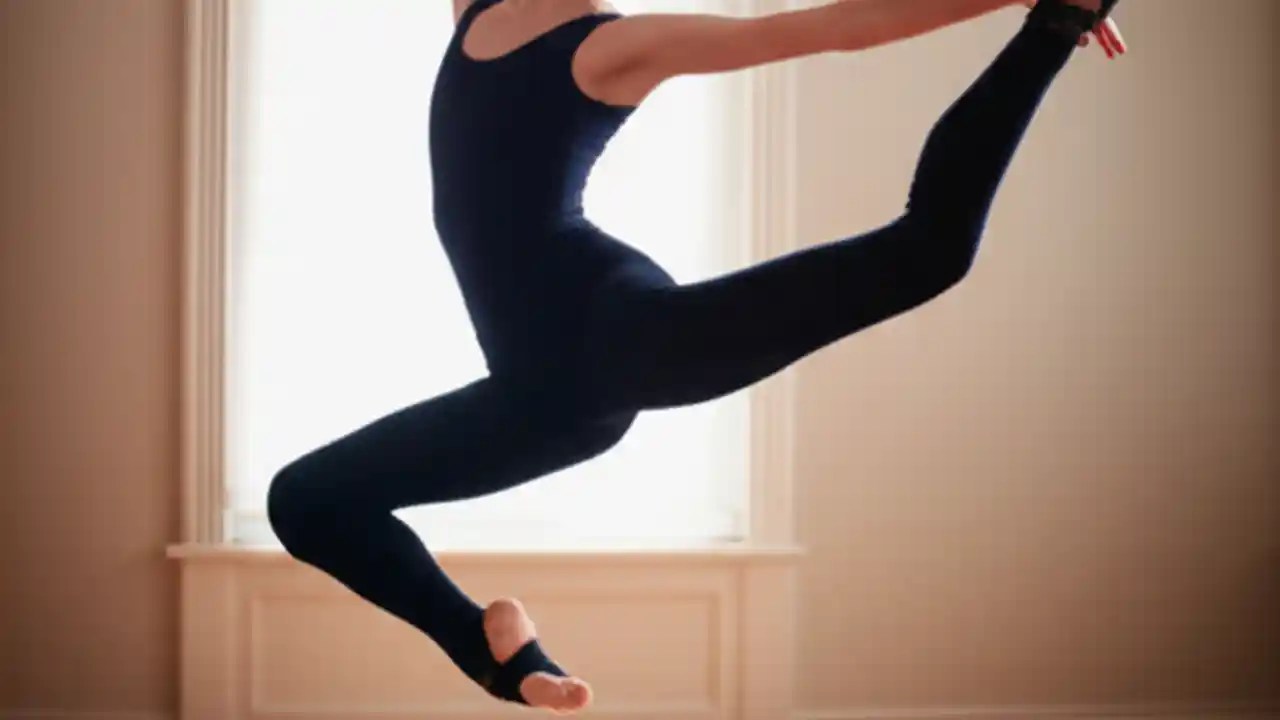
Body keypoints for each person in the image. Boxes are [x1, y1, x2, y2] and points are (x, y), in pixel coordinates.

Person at [266, 0, 1124, 713]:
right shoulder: (474, 7)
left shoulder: (611, 44)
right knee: (306, 501)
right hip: (540, 398)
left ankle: (1054, 27)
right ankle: (494, 648)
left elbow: (832, 29)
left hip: (618, 338)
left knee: (928, 251)